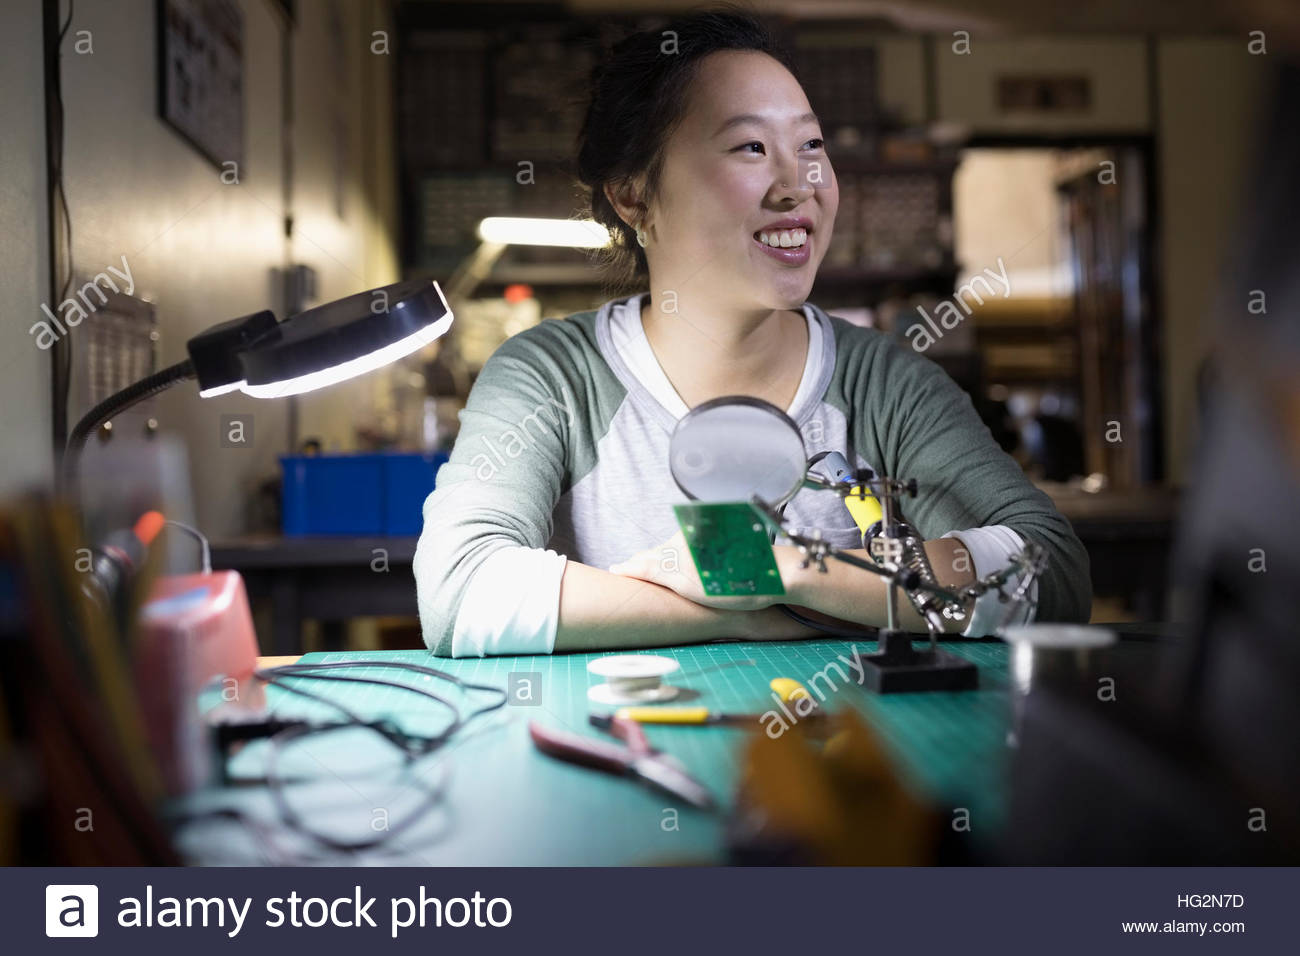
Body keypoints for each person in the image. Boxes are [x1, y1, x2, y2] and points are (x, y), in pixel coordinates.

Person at [414, 8, 1090, 657]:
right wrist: (776, 617)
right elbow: (462, 591)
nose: (798, 184)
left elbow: (1047, 569)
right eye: (750, 147)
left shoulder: (888, 383)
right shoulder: (551, 377)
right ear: (633, 195)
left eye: (811, 145)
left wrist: (792, 572)